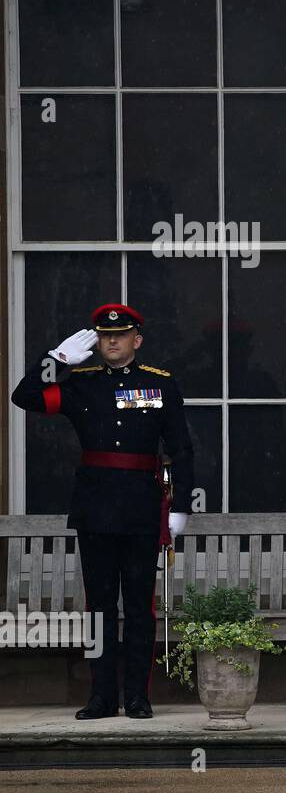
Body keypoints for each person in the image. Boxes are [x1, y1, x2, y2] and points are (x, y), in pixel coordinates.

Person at [11, 304, 193, 720]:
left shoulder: (159, 385)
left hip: (142, 507)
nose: (112, 341)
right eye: (104, 335)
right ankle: (101, 696)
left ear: (136, 340)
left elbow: (181, 448)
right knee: (99, 607)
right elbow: (24, 396)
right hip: (95, 507)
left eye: (121, 334)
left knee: (140, 606)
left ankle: (137, 696)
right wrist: (55, 360)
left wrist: (180, 506)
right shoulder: (81, 384)